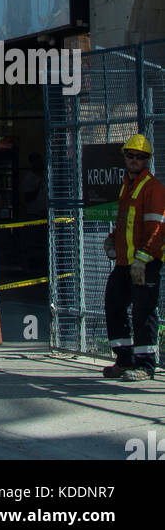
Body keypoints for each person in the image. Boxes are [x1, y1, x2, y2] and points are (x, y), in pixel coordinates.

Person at [102, 134, 165, 382]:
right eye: (131, 155)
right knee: (114, 304)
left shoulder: (154, 188)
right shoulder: (126, 186)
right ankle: (125, 360)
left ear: (147, 160)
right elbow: (125, 222)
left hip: (144, 264)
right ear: (125, 157)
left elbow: (158, 229)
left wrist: (143, 259)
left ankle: (146, 366)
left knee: (144, 311)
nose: (135, 160)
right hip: (125, 263)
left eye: (140, 157)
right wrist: (113, 238)